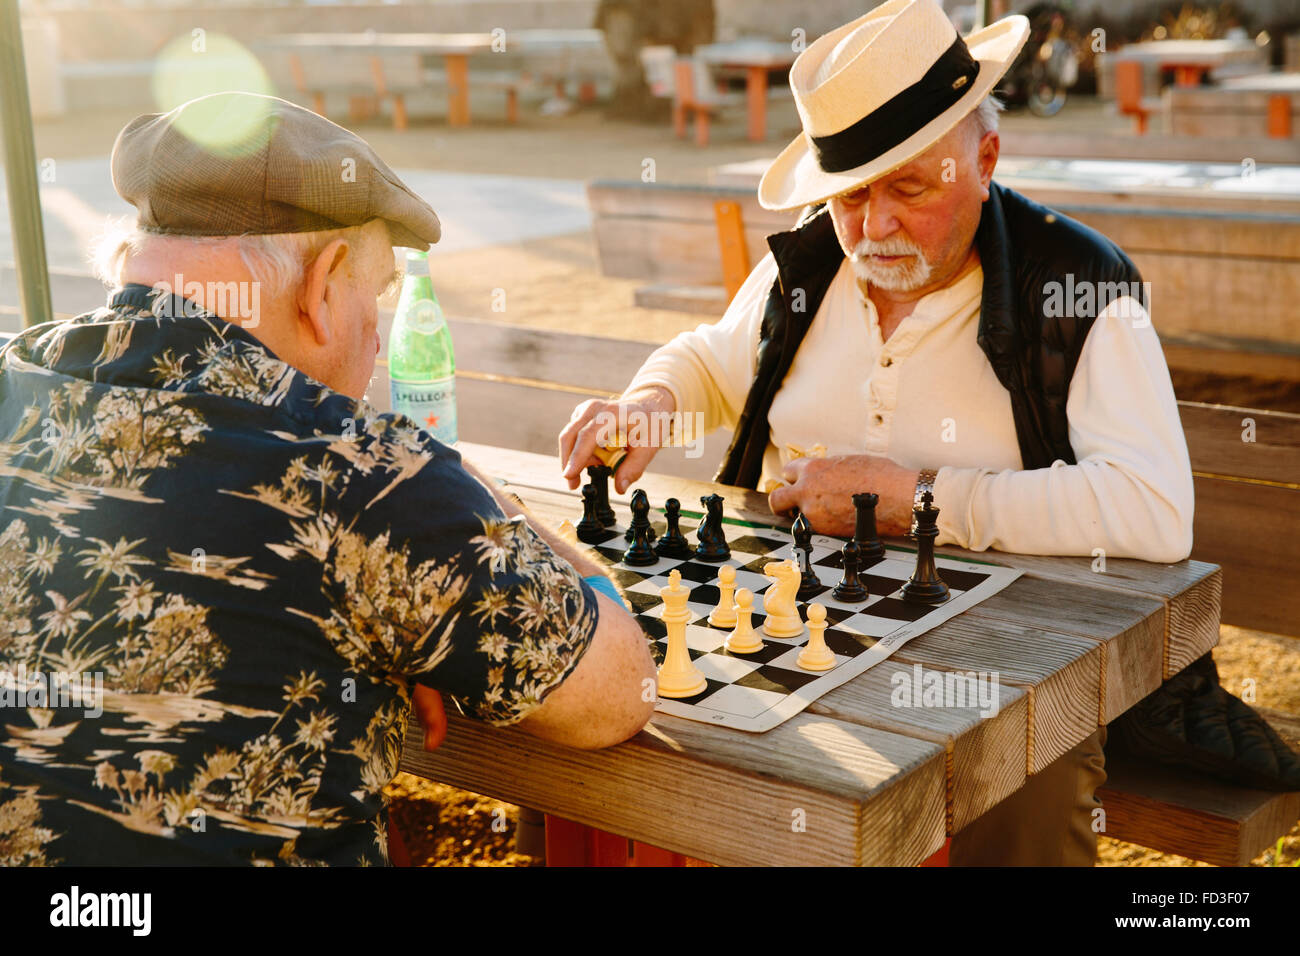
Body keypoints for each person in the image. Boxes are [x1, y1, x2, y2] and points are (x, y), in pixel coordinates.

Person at [560, 0, 1194, 866]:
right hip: (802, 629)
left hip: (1012, 659)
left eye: (911, 186)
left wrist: (919, 501)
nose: (876, 226)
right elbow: (712, 363)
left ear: (986, 159)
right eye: (852, 193)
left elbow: (1153, 509)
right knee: (610, 705)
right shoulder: (816, 259)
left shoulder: (1078, 286)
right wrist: (647, 407)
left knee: (1020, 790)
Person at [0, 92, 654, 867]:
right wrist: (456, 513)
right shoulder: (365, 476)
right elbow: (619, 690)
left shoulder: (16, 378)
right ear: (323, 284)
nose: (377, 334)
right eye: (376, 293)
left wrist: (386, 611)